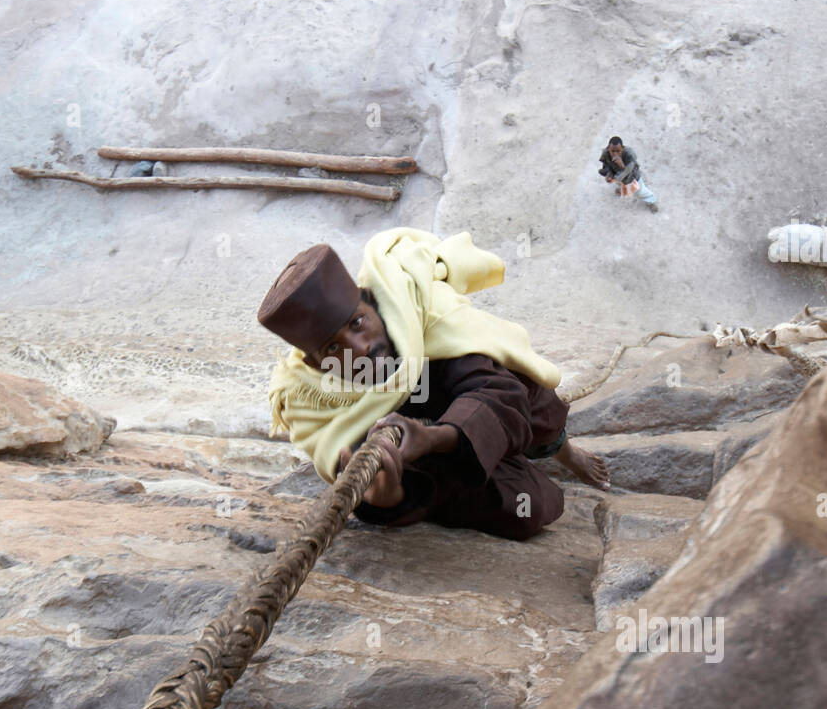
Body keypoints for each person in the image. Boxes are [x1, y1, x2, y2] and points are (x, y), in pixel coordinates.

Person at [258, 231, 610, 541]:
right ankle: (493, 456)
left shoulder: (421, 310)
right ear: (317, 364)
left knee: (523, 386)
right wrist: (389, 499)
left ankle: (558, 447)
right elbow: (352, 466)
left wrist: (435, 435)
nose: (361, 348)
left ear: (370, 300)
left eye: (358, 322)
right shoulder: (308, 402)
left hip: (463, 408)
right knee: (526, 510)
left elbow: (499, 390)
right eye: (334, 348)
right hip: (442, 456)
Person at [598, 135, 659, 212]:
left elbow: (629, 170)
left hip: (632, 177)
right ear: (608, 148)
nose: (615, 154)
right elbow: (606, 166)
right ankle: (622, 189)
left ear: (622, 149)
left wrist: (621, 165)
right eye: (612, 151)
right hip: (617, 176)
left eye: (618, 151)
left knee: (640, 191)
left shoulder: (629, 154)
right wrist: (608, 174)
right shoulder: (606, 153)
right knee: (620, 184)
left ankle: (651, 201)